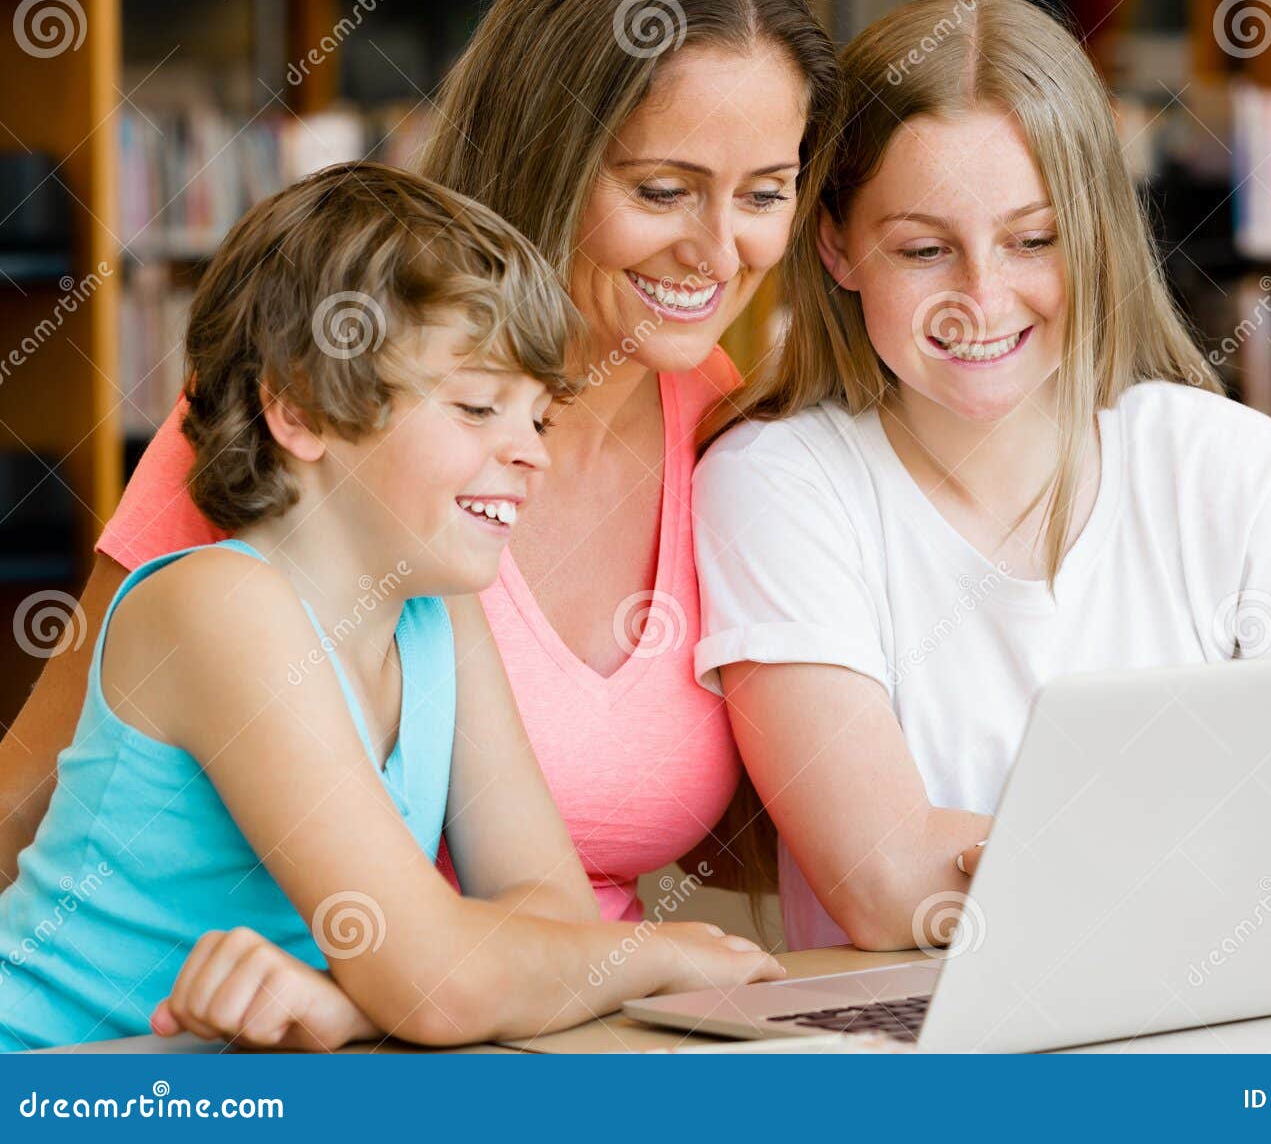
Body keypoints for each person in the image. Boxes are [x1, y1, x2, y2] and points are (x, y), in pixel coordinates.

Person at [0, 0, 839, 921]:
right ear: (547, 152)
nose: (719, 252)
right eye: (664, 190)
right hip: (248, 1047)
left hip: (569, 1038)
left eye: (765, 194)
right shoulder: (320, 394)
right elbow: (35, 797)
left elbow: (785, 829)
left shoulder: (740, 449)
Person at [692, 0, 1271, 953]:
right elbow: (889, 882)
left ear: (1097, 234)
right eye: (923, 249)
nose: (984, 298)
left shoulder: (1231, 465)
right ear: (836, 245)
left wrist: (1105, 876)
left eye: (1034, 240)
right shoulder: (779, 485)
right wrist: (1245, 867)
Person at [0, 164, 781, 1053]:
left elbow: (552, 914)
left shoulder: (438, 613)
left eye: (538, 419)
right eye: (480, 407)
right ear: (299, 410)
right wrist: (650, 955)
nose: (531, 456)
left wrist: (357, 1001)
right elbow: (453, 981)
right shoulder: (216, 606)